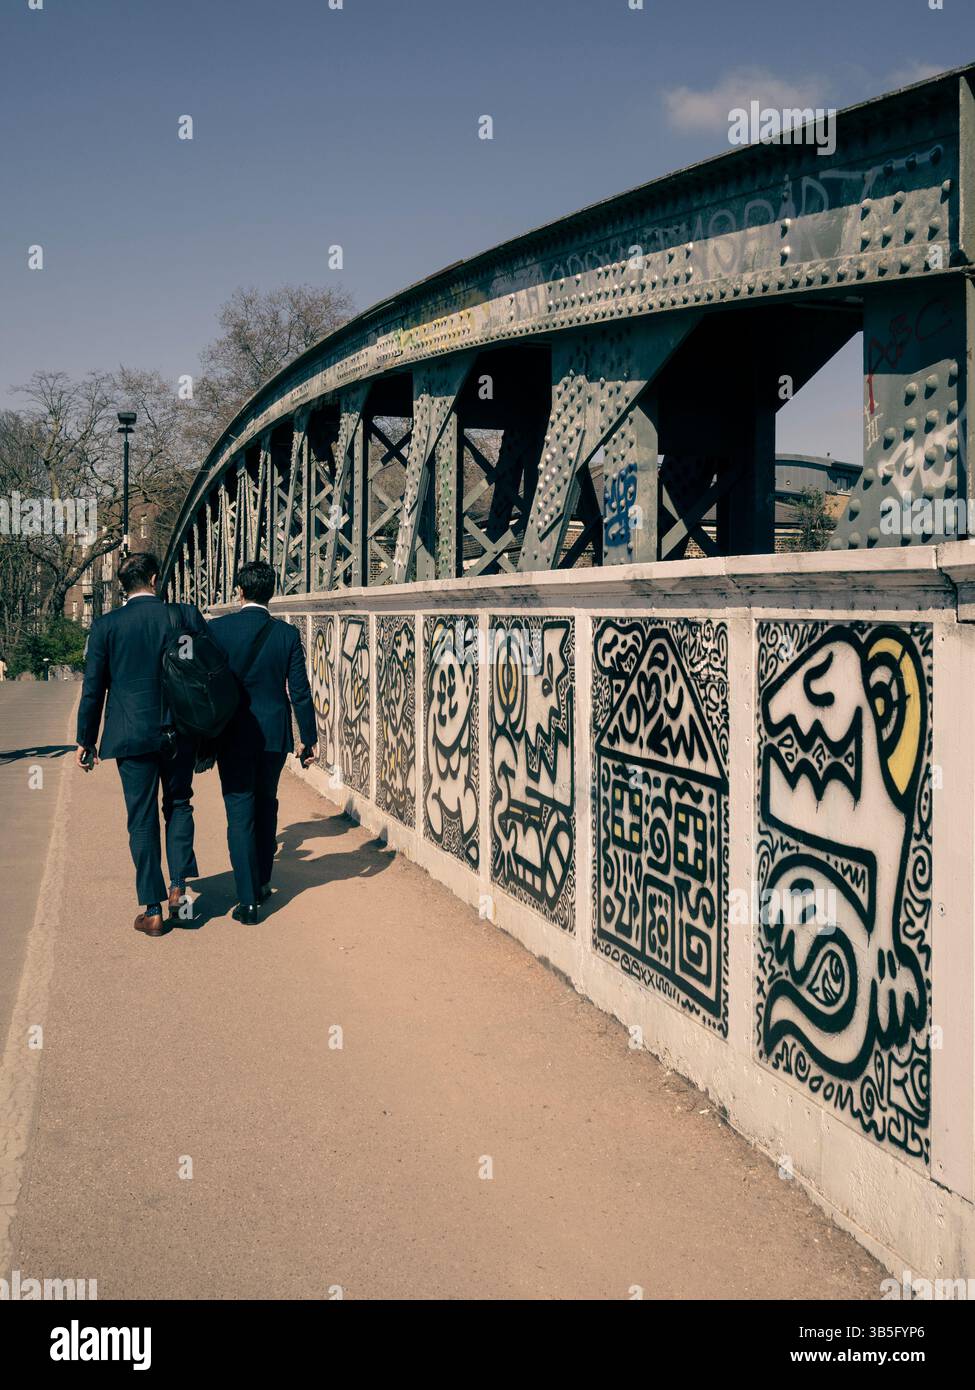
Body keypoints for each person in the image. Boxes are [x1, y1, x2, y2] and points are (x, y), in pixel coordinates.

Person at [76, 552, 207, 937]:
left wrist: (86, 739)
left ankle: (152, 910)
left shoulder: (106, 626)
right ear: (154, 579)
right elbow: (207, 668)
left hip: (130, 735)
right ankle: (179, 889)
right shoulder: (181, 617)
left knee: (142, 818)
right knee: (179, 804)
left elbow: (93, 689)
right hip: (178, 731)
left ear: (123, 586)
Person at [207, 560, 317, 924]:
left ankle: (247, 899)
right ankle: (264, 881)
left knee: (239, 811)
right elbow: (300, 692)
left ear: (239, 591)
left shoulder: (217, 630)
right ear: (272, 594)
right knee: (266, 804)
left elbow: (205, 684)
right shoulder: (286, 635)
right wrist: (309, 738)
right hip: (273, 734)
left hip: (232, 733)